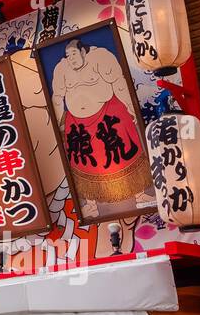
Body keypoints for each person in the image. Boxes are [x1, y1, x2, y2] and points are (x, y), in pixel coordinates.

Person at [50, 38, 154, 219]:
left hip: (106, 114)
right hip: (78, 121)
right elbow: (57, 98)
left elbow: (119, 83)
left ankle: (139, 195)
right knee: (84, 161)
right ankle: (90, 206)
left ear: (83, 52)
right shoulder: (61, 69)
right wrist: (58, 123)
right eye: (68, 55)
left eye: (74, 54)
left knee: (123, 150)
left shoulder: (101, 57)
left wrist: (130, 108)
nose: (71, 59)